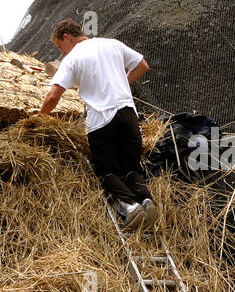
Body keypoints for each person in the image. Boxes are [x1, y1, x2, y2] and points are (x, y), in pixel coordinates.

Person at [33, 19, 158, 229]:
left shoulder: (72, 58)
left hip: (102, 121)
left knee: (106, 170)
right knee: (131, 167)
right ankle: (146, 201)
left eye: (59, 46)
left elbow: (54, 96)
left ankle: (130, 207)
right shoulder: (112, 44)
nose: (61, 52)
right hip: (128, 114)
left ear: (67, 37)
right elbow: (142, 66)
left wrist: (39, 115)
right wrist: (119, 83)